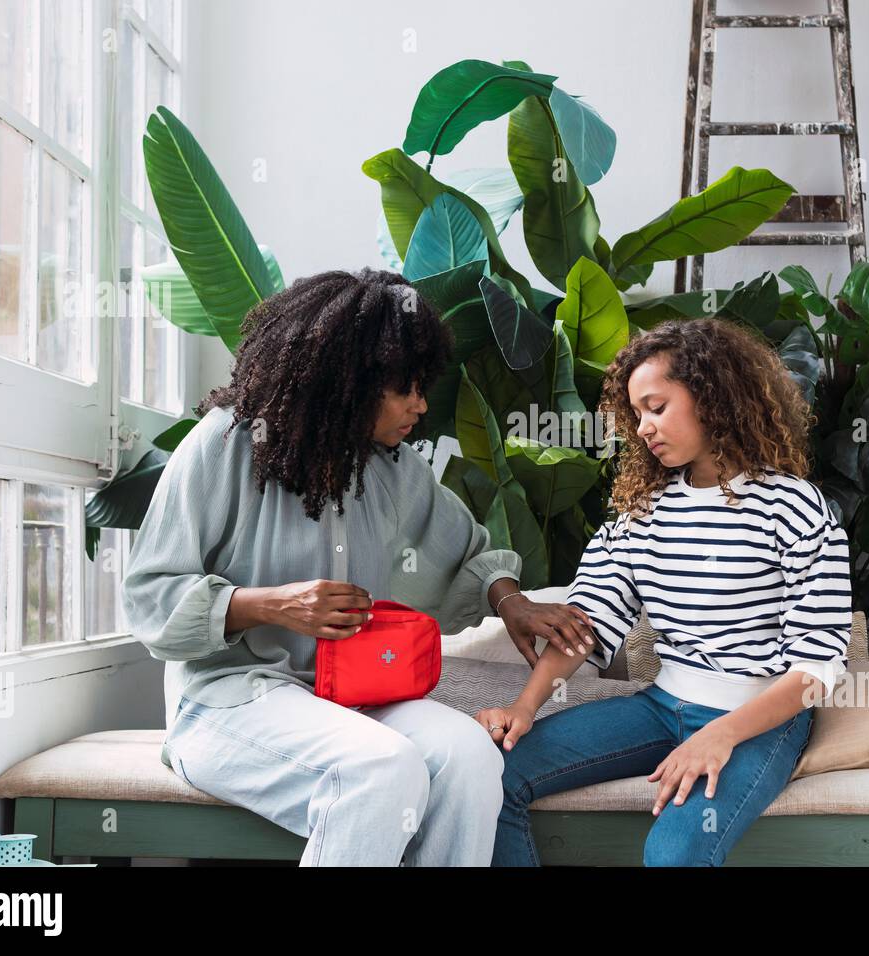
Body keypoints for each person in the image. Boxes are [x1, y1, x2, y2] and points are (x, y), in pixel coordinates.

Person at [121, 267, 595, 866]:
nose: (421, 406)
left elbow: (468, 550)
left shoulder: (392, 469)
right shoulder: (225, 444)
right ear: (350, 379)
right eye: (407, 388)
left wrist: (512, 602)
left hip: (350, 696)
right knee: (379, 768)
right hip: (226, 700)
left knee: (471, 755)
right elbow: (150, 594)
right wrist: (271, 604)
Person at [477, 317, 853, 866]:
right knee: (493, 774)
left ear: (711, 396)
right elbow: (585, 622)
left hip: (759, 720)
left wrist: (720, 735)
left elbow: (816, 671)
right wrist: (525, 708)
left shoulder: (794, 508)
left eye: (657, 407)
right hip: (661, 706)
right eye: (637, 415)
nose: (645, 427)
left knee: (674, 853)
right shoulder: (642, 512)